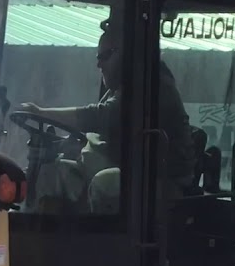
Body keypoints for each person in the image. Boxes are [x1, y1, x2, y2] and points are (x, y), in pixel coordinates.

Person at [17, 22, 196, 214]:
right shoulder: (119, 87)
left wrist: (41, 113)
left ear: (126, 53)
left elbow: (99, 116)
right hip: (124, 165)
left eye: (104, 56)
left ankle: (102, 235)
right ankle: (38, 230)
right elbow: (99, 136)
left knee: (105, 184)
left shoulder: (152, 85)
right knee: (51, 173)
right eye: (98, 57)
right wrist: (62, 145)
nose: (99, 64)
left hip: (158, 179)